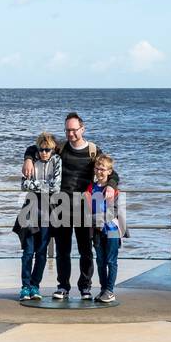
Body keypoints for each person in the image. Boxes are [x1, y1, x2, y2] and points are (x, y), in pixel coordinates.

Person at [22, 111, 118, 301]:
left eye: (74, 130)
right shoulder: (61, 148)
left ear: (82, 129)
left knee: (85, 251)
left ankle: (85, 287)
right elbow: (37, 148)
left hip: (84, 206)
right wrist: (28, 158)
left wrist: (112, 186)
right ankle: (63, 286)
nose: (70, 134)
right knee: (62, 251)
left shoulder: (93, 151)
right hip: (61, 205)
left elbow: (111, 172)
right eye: (67, 130)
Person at [14, 132, 61, 301]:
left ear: (53, 149)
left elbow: (56, 188)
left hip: (48, 211)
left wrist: (36, 185)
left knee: (41, 252)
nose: (44, 153)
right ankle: (25, 286)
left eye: (48, 149)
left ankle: (35, 286)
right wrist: (44, 185)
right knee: (28, 251)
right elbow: (24, 185)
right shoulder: (31, 161)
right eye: (41, 149)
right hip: (30, 209)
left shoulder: (57, 161)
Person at [85, 153, 128, 303]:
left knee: (111, 261)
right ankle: (103, 289)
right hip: (96, 230)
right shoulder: (91, 188)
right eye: (97, 168)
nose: (99, 172)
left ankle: (110, 290)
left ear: (110, 171)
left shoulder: (114, 190)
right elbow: (88, 209)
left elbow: (116, 210)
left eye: (103, 169)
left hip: (112, 230)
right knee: (100, 261)